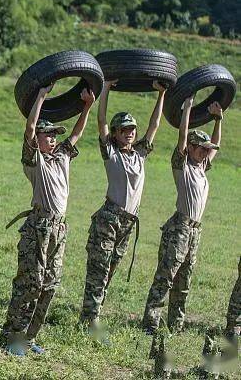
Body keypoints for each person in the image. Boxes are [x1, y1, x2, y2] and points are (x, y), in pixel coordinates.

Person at [0, 83, 95, 356]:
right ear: (39, 140)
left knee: (50, 285)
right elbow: (28, 131)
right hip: (39, 226)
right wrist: (40, 96)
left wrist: (87, 106)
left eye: (54, 135)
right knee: (31, 282)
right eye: (47, 135)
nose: (52, 139)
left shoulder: (62, 157)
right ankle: (12, 337)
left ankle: (29, 338)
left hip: (59, 228)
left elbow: (76, 134)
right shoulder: (34, 160)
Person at [79, 80, 167, 328]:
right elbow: (101, 122)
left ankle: (92, 316)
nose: (130, 133)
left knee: (110, 271)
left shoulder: (139, 154)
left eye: (132, 130)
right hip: (109, 218)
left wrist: (161, 94)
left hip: (129, 223)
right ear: (116, 134)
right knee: (98, 270)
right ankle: (90, 322)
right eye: (124, 129)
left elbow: (155, 125)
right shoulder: (111, 152)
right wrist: (105, 89)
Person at [142, 98, 223, 334]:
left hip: (195, 231)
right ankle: (150, 324)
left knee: (184, 281)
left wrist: (219, 119)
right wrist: (187, 110)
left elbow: (216, 143)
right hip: (180, 228)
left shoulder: (202, 167)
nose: (206, 151)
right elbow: (181, 140)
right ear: (191, 148)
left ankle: (175, 325)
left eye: (207, 150)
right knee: (166, 277)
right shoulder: (183, 165)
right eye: (201, 148)